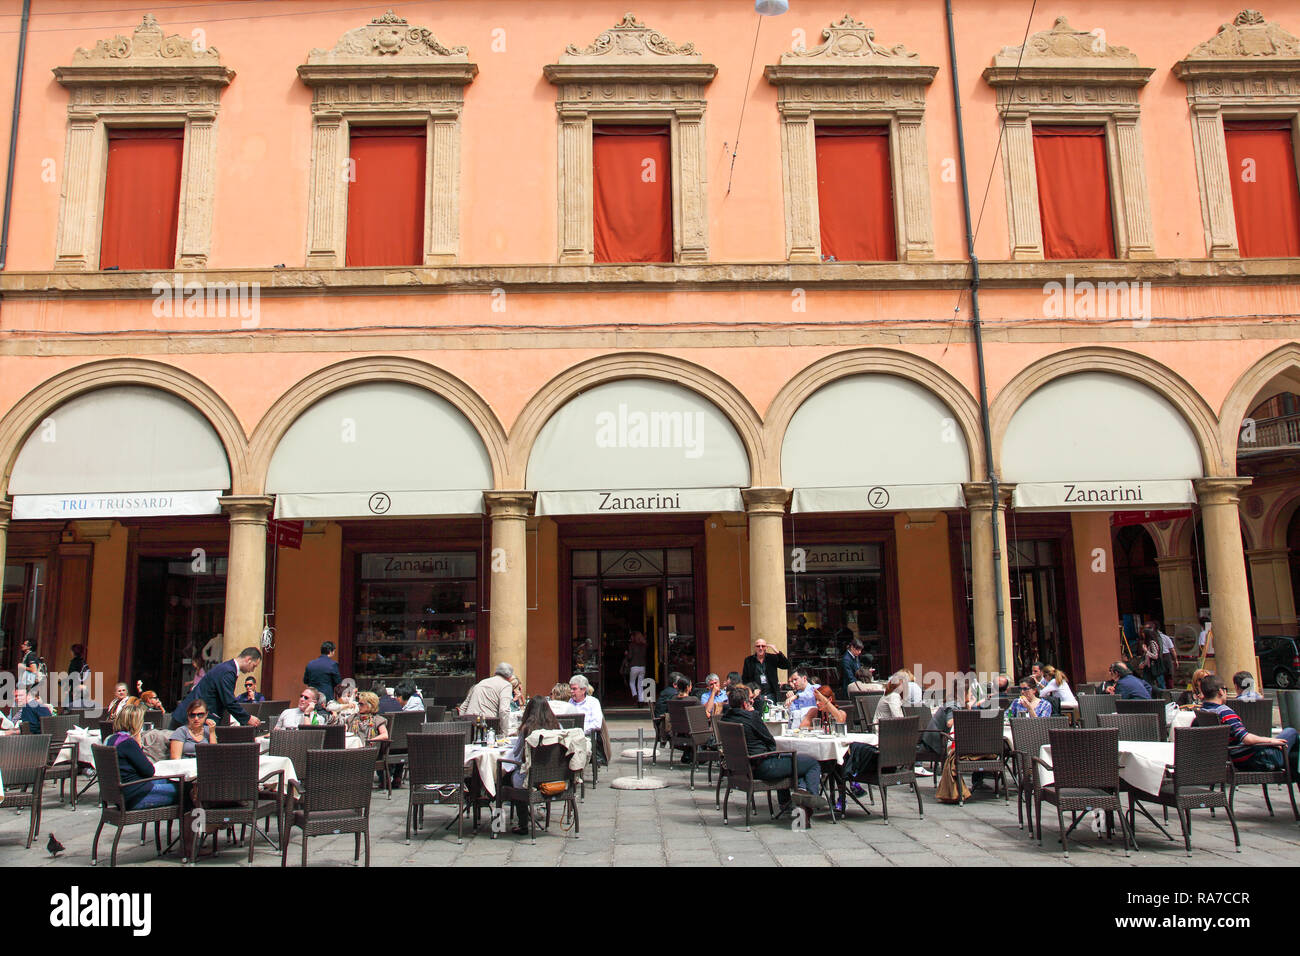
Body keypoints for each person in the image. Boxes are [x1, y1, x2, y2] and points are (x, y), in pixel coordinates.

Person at [107, 700, 191, 856]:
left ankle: (179, 843)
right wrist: (138, 743)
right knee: (187, 789)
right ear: (135, 723)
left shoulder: (110, 740)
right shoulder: (128, 743)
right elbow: (148, 770)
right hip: (136, 796)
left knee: (173, 782)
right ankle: (189, 847)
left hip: (122, 794)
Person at [721, 686, 820, 811]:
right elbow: (770, 741)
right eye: (751, 701)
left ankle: (790, 800)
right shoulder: (751, 718)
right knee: (811, 763)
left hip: (740, 769)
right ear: (745, 704)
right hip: (761, 767)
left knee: (793, 763)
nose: (752, 703)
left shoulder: (725, 719)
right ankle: (811, 801)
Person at [1199, 674, 1298, 781]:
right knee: (1291, 732)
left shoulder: (1203, 711)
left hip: (1235, 759)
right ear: (1220, 691)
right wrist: (1271, 740)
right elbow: (1246, 739)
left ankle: (1293, 771)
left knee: (1295, 758)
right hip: (1256, 759)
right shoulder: (1224, 711)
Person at [503, 696, 561, 836]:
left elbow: (516, 753)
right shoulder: (557, 727)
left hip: (530, 778)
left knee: (503, 781)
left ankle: (517, 824)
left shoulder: (527, 729)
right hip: (552, 776)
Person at [169, 646, 264, 730]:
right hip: (190, 719)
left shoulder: (227, 668)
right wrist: (247, 718)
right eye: (253, 666)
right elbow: (228, 701)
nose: (252, 670)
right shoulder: (228, 671)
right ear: (248, 659)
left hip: (193, 717)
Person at [625, 630, 648, 701]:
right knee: (640, 684)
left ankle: (634, 695)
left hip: (634, 666)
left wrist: (626, 654)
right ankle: (641, 700)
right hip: (642, 666)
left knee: (632, 682)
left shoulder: (632, 645)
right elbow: (644, 655)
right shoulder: (644, 645)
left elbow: (630, 656)